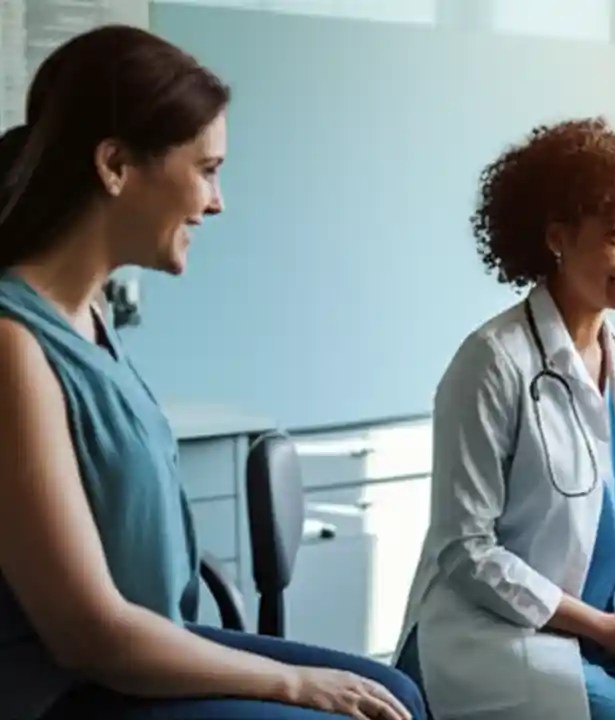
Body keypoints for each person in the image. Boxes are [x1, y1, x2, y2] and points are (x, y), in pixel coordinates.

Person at [0, 26, 426, 720]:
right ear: (115, 165)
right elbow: (88, 637)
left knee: (400, 693)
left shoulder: (91, 320)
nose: (217, 200)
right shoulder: (11, 342)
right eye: (207, 168)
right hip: (73, 691)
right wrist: (292, 683)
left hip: (146, 651)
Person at [393, 117, 615, 720]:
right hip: (499, 629)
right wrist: (604, 627)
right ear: (558, 238)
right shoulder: (491, 363)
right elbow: (465, 550)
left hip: (611, 624)